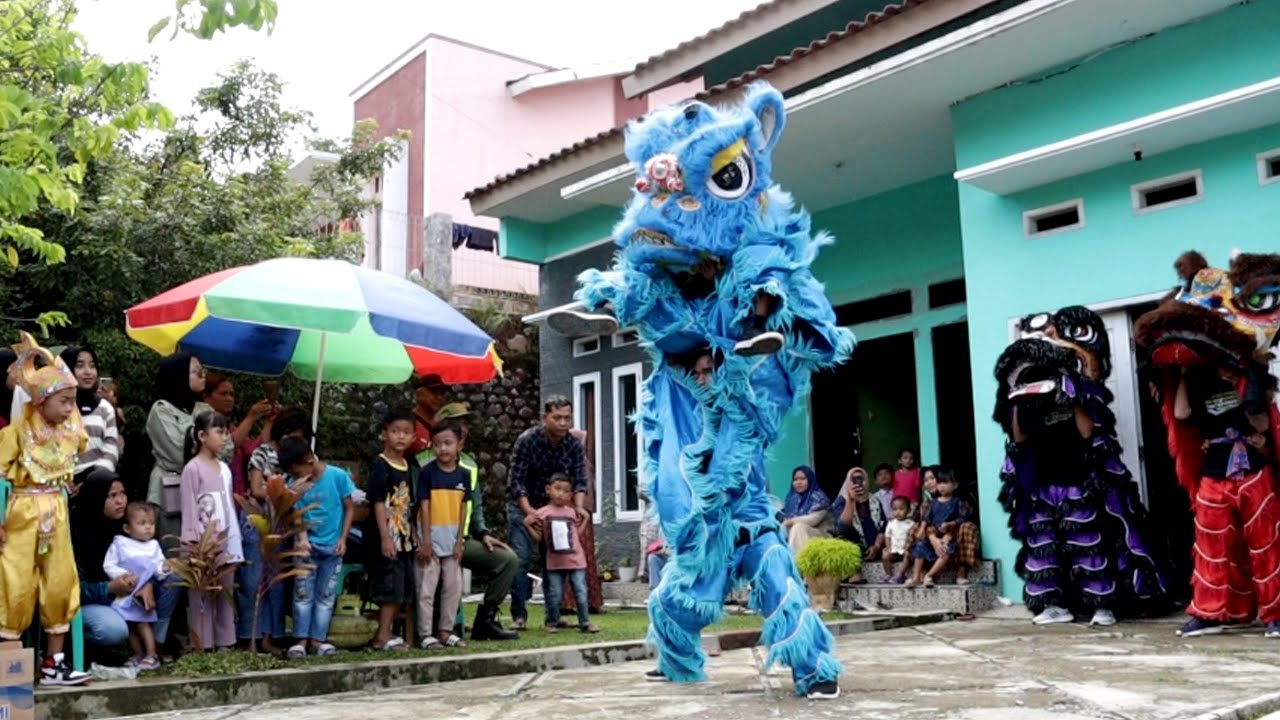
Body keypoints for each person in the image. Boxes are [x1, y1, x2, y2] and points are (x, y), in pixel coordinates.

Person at [0, 333, 91, 685]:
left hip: (55, 507)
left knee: (59, 581)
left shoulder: (69, 431)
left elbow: (80, 439)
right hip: (21, 511)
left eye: (73, 401)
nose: (70, 408)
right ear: (40, 400)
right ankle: (10, 670)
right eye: (64, 401)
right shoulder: (16, 433)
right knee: (15, 584)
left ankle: (54, 663)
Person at [414, 403, 518, 641]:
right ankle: (426, 633)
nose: (463, 428)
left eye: (464, 423)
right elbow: (414, 503)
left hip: (460, 539)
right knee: (430, 582)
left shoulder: (468, 465)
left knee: (508, 559)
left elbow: (474, 505)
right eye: (455, 423)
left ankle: (485, 621)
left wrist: (482, 533)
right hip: (427, 538)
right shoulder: (421, 463)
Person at [70, 470, 181, 666]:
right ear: (96, 497)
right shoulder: (77, 533)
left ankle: (155, 645)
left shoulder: (126, 525)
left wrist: (147, 583)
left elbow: (150, 562)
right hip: (88, 604)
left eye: (123, 494)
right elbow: (73, 590)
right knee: (112, 629)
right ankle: (85, 649)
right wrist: (109, 588)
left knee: (174, 577)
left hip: (129, 594)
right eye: (112, 496)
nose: (121, 501)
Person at [507, 396, 589, 631]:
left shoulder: (573, 444)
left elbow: (579, 479)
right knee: (521, 558)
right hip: (524, 505)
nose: (563, 423)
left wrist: (578, 506)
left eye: (567, 418)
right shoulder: (527, 441)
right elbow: (516, 482)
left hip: (558, 509)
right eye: (557, 418)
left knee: (555, 560)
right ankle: (519, 615)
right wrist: (529, 512)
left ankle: (554, 614)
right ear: (545, 418)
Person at [237, 407, 309, 653]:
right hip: (258, 520)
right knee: (253, 580)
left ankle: (271, 636)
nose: (293, 440)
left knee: (276, 584)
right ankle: (249, 636)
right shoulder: (263, 452)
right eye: (290, 435)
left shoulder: (300, 456)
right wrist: (279, 493)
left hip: (283, 524)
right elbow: (255, 488)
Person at [277, 436, 356, 658]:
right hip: (307, 546)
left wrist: (343, 539)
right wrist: (302, 538)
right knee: (303, 594)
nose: (295, 477)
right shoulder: (295, 486)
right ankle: (300, 640)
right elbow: (295, 513)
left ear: (309, 462)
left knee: (326, 595)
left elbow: (349, 507)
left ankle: (317, 640)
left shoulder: (338, 476)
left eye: (296, 471)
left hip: (333, 546)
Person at [180, 411, 243, 652]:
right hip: (203, 543)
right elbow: (189, 510)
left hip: (227, 540)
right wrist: (193, 545)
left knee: (225, 592)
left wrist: (233, 541)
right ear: (202, 436)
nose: (225, 437)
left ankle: (226, 641)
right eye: (220, 432)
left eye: (226, 432)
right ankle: (202, 643)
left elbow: (228, 507)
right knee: (201, 594)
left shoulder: (224, 468)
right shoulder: (192, 469)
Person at [365, 407, 417, 651]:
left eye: (406, 432)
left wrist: (413, 533)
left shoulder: (408, 465)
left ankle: (386, 634)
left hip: (404, 535)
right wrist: (385, 537)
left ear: (414, 437)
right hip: (385, 536)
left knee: (402, 588)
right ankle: (382, 636)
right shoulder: (380, 464)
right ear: (384, 434)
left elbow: (409, 504)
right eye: (395, 431)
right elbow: (377, 501)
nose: (400, 437)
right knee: (389, 588)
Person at [414, 420, 468, 649]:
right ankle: (425, 633)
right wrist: (425, 540)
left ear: (459, 445)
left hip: (452, 540)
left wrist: (459, 542)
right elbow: (424, 507)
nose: (443, 449)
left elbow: (464, 507)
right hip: (430, 541)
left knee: (453, 588)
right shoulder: (427, 473)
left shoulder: (464, 475)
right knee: (426, 588)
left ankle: (445, 631)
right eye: (437, 444)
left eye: (448, 443)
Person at [525, 473, 600, 634]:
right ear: (548, 489)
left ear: (571, 495)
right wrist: (528, 526)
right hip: (554, 561)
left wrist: (586, 519)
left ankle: (585, 622)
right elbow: (539, 538)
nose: (561, 494)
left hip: (576, 560)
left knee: (580, 591)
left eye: (566, 491)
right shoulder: (542, 513)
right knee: (555, 594)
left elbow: (576, 536)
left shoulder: (572, 513)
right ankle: (551, 622)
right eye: (557, 489)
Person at [147, 352, 208, 540]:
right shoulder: (161, 409)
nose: (203, 376)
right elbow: (176, 452)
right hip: (170, 490)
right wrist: (208, 447)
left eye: (203, 371)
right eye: (197, 372)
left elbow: (226, 448)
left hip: (204, 491)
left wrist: (197, 442)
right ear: (178, 375)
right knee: (174, 552)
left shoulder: (205, 409)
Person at [103, 502, 170, 670]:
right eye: (142, 523)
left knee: (142, 623)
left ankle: (151, 654)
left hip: (143, 594)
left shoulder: (153, 546)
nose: (148, 528)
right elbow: (109, 565)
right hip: (125, 591)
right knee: (128, 624)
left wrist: (164, 569)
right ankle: (137, 653)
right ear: (127, 528)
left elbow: (158, 568)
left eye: (151, 523)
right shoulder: (119, 543)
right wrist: (122, 577)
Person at [59, 345, 122, 483]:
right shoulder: (56, 408)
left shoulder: (104, 408)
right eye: (80, 366)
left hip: (98, 482)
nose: (88, 372)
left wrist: (94, 480)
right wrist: (64, 482)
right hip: (62, 484)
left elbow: (111, 447)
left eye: (92, 366)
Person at [561, 427, 604, 619]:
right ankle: (569, 602)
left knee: (583, 555)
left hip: (583, 512)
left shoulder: (582, 462)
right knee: (570, 552)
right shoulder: (567, 462)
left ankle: (589, 600)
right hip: (571, 510)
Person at [904, 468, 968, 587]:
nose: (941, 486)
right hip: (931, 536)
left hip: (948, 537)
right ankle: (916, 577)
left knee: (946, 550)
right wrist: (923, 529)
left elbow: (963, 517)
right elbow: (926, 518)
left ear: (955, 485)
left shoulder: (958, 501)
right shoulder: (932, 502)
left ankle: (930, 575)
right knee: (919, 545)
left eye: (945, 483)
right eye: (939, 483)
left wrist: (950, 524)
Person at [831, 467, 884, 582]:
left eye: (861, 479)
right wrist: (850, 500)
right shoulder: (841, 501)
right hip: (855, 547)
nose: (859, 483)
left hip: (875, 547)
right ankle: (854, 571)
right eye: (854, 479)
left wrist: (876, 546)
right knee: (843, 533)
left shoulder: (875, 501)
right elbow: (842, 527)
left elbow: (883, 528)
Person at [780, 465, 833, 555]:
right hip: (797, 537)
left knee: (798, 527)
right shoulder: (791, 499)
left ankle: (797, 563)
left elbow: (813, 520)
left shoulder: (819, 498)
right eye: (795, 479)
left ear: (810, 480)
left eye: (803, 479)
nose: (799, 482)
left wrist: (791, 521)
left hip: (820, 536)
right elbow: (783, 516)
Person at [409, 374, 449, 457]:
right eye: (433, 392)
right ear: (419, 395)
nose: (439, 397)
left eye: (442, 393)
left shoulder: (442, 426)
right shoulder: (407, 424)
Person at [881, 497, 915, 584]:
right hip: (894, 550)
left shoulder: (911, 524)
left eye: (901, 509)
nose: (898, 512)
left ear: (908, 510)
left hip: (905, 550)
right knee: (885, 555)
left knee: (908, 554)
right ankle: (888, 574)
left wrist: (909, 545)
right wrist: (888, 547)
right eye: (895, 509)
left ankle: (900, 574)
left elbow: (913, 537)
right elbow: (887, 536)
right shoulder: (891, 523)